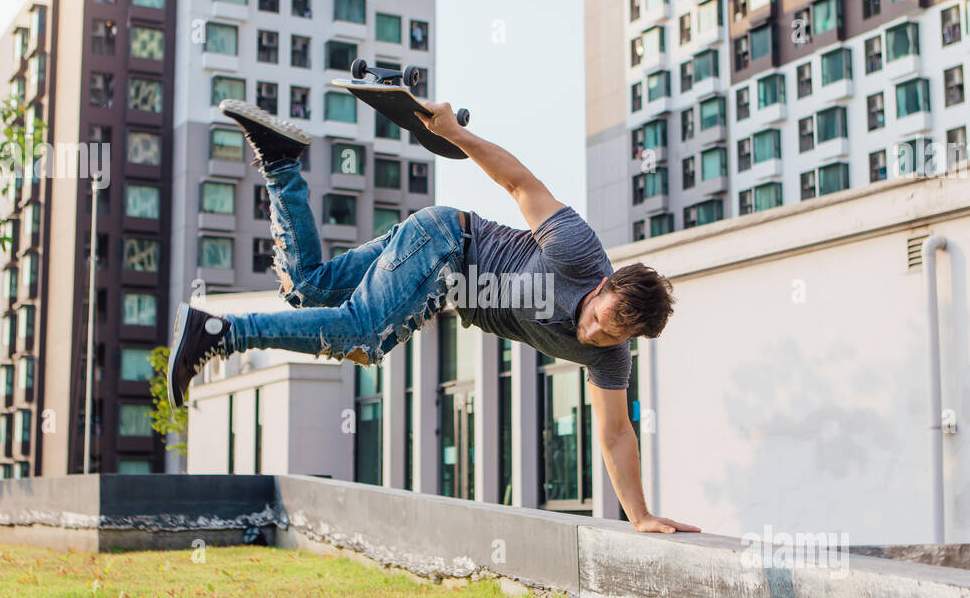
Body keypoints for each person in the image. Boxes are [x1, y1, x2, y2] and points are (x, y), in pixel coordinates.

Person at [168, 99, 698, 534]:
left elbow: (615, 434)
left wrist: (642, 516)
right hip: (447, 244)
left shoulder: (609, 355)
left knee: (310, 288)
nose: (594, 333)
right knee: (362, 333)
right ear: (603, 286)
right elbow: (519, 183)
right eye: (599, 318)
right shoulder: (578, 251)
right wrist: (455, 135)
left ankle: (282, 161)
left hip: (432, 256)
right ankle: (219, 333)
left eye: (611, 335)